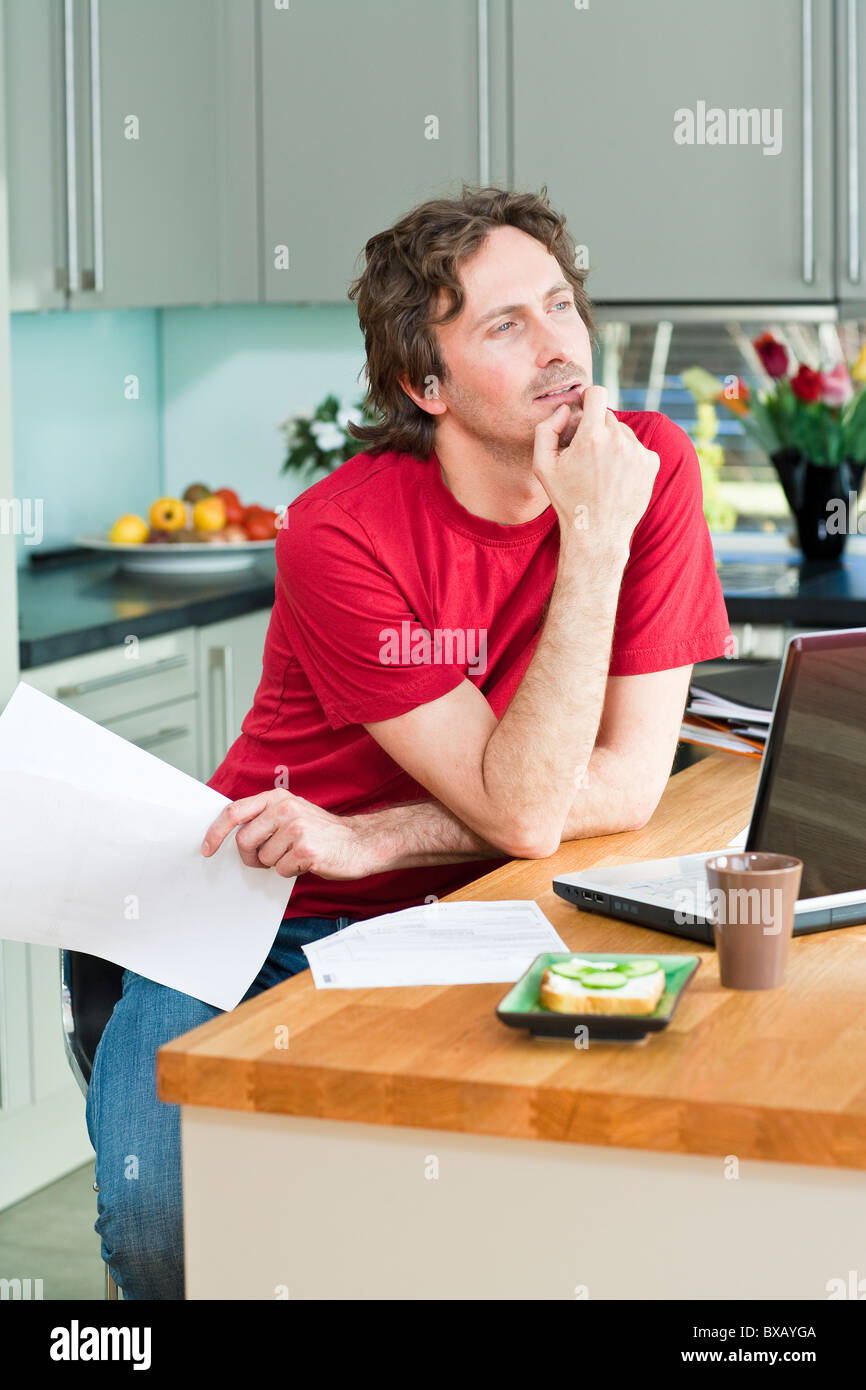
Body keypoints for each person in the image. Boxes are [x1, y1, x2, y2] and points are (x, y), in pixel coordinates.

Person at [87, 185, 731, 1299]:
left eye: (560, 306)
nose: (555, 349)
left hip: (484, 905)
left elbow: (622, 783)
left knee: (530, 1208)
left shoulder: (649, 469)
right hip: (256, 908)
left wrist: (378, 840)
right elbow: (526, 805)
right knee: (159, 1214)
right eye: (502, 325)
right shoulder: (339, 537)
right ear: (420, 386)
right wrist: (588, 538)